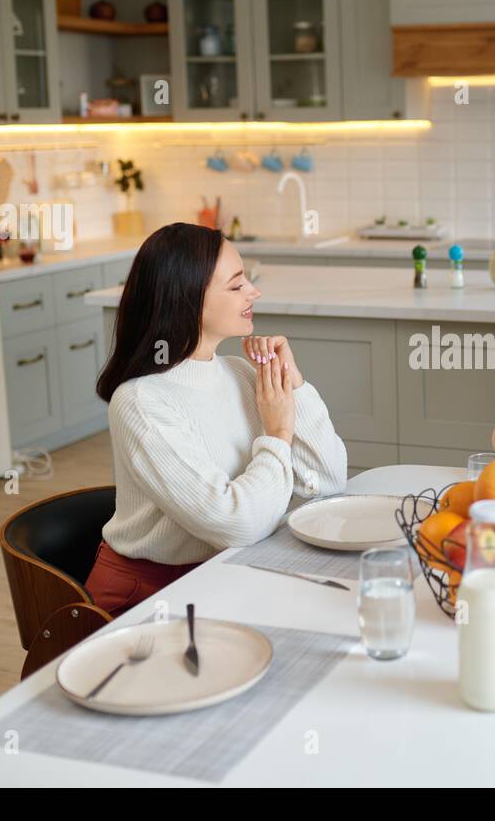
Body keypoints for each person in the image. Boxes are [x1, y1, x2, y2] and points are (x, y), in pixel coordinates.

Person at [88, 223, 347, 614]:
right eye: (236, 284)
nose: (253, 292)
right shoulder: (141, 402)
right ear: (188, 298)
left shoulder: (240, 373)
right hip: (147, 600)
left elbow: (326, 483)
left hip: (224, 576)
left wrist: (294, 387)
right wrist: (277, 435)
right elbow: (236, 524)